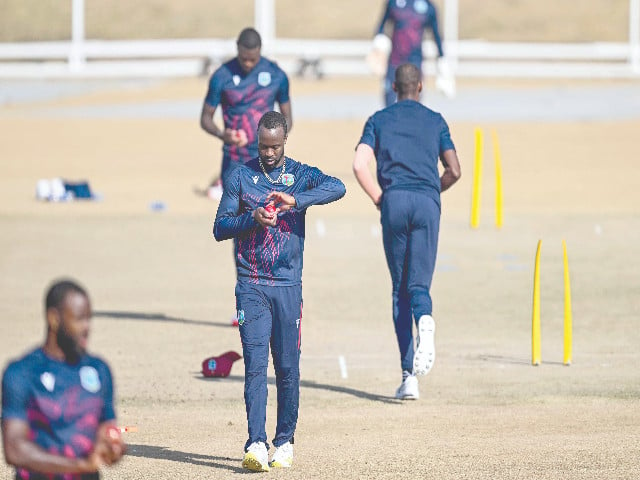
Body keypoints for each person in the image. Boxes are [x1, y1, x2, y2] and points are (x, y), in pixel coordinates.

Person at [213, 111, 345, 471]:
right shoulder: (241, 176)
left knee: (287, 368)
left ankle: (284, 441)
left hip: (288, 286)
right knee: (255, 367)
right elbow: (220, 227)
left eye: (275, 147)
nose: (268, 153)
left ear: (285, 141)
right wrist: (251, 218)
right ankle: (256, 443)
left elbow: (338, 187)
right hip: (251, 285)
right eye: (263, 147)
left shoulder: (300, 175)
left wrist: (295, 200)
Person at [352, 63, 461, 400]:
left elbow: (359, 164)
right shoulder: (436, 120)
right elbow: (455, 170)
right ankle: (425, 319)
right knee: (419, 286)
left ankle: (408, 376)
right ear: (421, 87)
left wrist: (379, 197)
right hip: (427, 204)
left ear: (394, 88)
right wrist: (430, 190)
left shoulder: (378, 119)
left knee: (400, 290)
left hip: (394, 203)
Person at [1, 279, 125, 479]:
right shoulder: (22, 373)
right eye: (79, 319)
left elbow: (105, 428)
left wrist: (112, 447)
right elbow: (15, 449)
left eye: (88, 319)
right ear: (54, 319)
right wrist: (80, 465)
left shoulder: (99, 370)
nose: (87, 327)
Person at [200, 27, 293, 200]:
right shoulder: (221, 76)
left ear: (260, 50)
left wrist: (275, 143)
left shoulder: (277, 75)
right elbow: (205, 118)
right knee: (236, 218)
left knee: (266, 215)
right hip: (234, 160)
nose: (248, 64)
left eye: (253, 59)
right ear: (237, 48)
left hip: (267, 160)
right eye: (244, 59)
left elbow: (288, 118)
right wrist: (222, 134)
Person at [371, 0, 454, 105]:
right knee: (390, 105)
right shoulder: (393, 3)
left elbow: (436, 35)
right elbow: (382, 26)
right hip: (394, 63)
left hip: (415, 65)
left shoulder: (428, 7)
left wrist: (442, 63)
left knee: (413, 107)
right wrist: (377, 47)